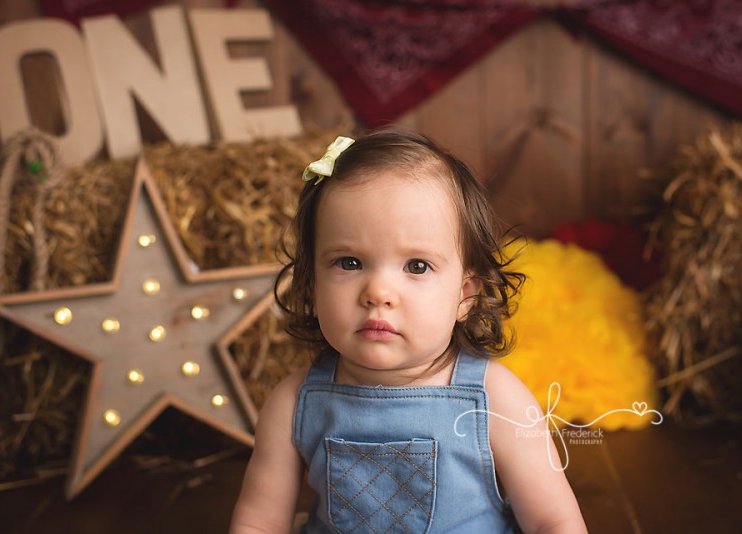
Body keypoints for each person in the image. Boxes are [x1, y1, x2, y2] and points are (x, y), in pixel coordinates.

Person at [230, 130, 587, 533]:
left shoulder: (495, 399)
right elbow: (260, 522)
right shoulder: (294, 403)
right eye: (348, 263)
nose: (379, 292)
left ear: (465, 295)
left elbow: (552, 521)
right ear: (311, 287)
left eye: (417, 266)